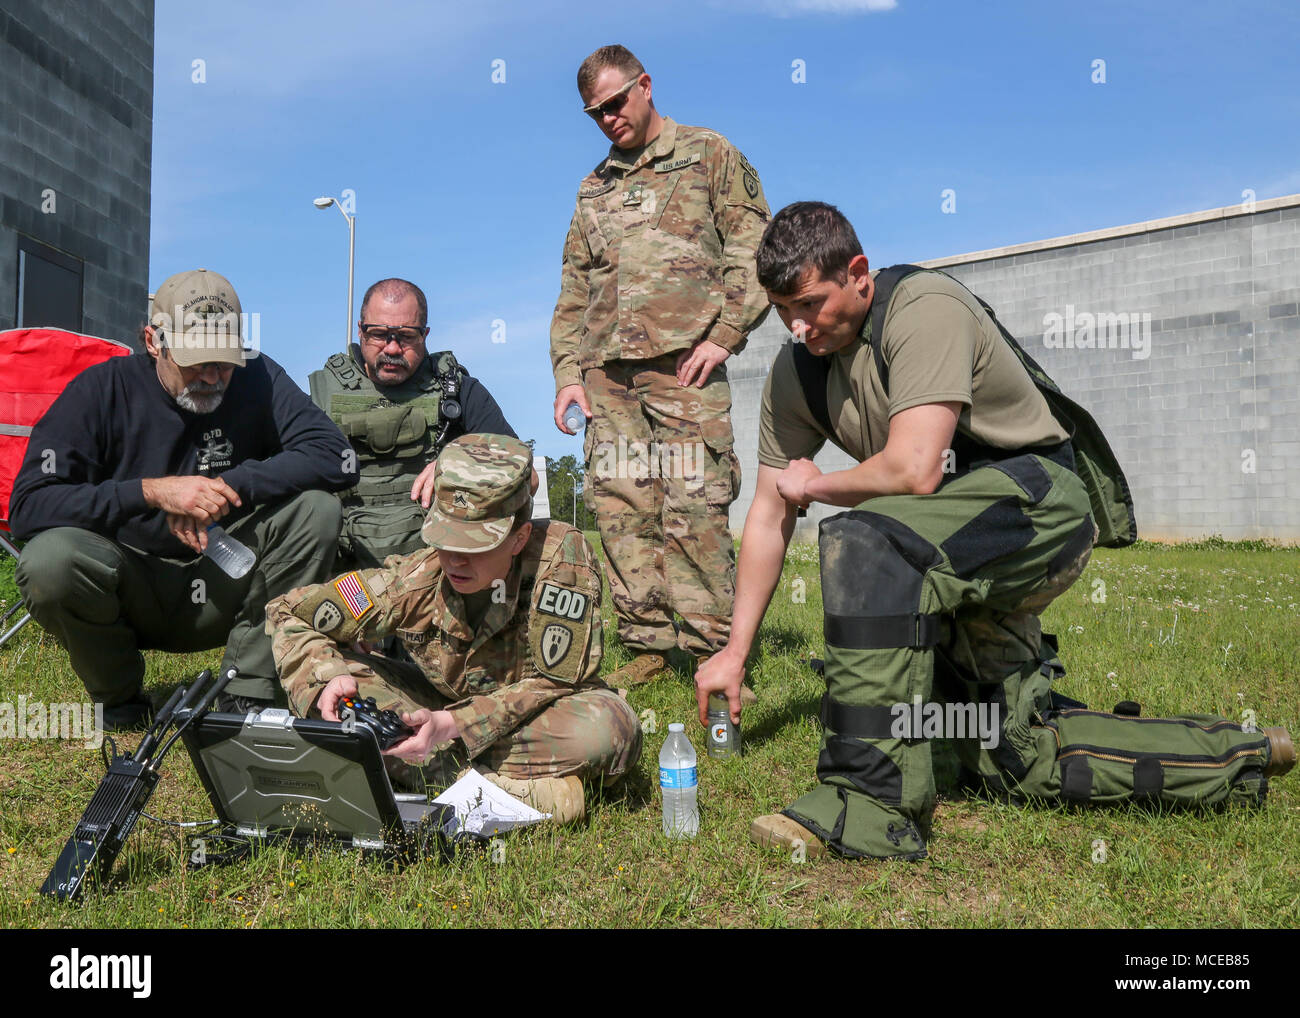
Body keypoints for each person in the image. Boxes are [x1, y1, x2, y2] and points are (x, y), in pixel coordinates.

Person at [696, 202, 1295, 860]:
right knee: (1008, 753)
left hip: (1039, 508)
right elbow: (767, 513)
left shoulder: (922, 309)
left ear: (859, 273)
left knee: (866, 541)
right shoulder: (797, 371)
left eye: (810, 304)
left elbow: (915, 469)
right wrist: (734, 651)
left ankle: (869, 805)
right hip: (948, 537)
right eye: (784, 311)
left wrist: (815, 485)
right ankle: (1238, 756)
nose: (800, 327)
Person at [11, 268, 352, 727]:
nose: (212, 376)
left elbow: (337, 456)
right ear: (154, 341)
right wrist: (152, 492)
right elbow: (28, 508)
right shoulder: (100, 390)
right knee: (49, 561)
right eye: (196, 361)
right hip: (129, 586)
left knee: (318, 510)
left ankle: (248, 692)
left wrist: (229, 488)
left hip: (225, 578)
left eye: (224, 361)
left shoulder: (259, 376)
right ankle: (119, 699)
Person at [266, 434, 643, 823]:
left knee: (607, 730)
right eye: (445, 540)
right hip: (440, 710)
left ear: (519, 538)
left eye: (475, 545)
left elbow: (555, 682)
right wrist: (329, 676)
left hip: (539, 714)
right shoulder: (416, 578)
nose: (454, 561)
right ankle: (519, 796)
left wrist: (452, 725)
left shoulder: (561, 559)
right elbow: (289, 611)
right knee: (336, 690)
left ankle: (422, 771)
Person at [549, 44, 770, 689]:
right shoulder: (594, 188)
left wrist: (726, 334)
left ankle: (712, 647)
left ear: (645, 86)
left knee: (695, 504)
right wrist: (568, 372)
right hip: (606, 377)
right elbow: (574, 284)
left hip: (686, 369)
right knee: (621, 507)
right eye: (595, 113)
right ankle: (646, 639)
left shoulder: (708, 154)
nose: (608, 119)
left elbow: (753, 248)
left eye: (616, 102)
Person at [310, 277, 521, 570]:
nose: (393, 348)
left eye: (406, 336)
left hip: (440, 565)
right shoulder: (321, 395)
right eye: (379, 334)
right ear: (360, 331)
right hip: (345, 568)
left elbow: (526, 478)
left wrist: (458, 465)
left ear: (425, 334)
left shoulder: (459, 391)